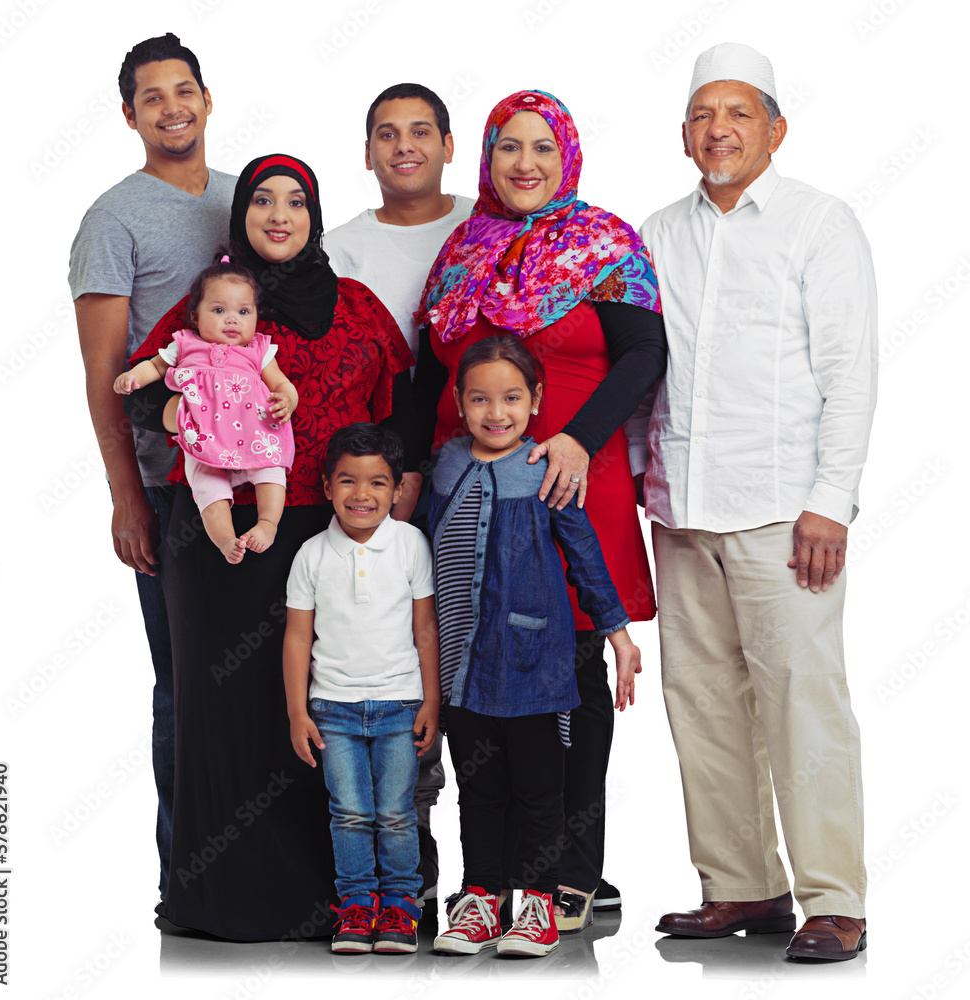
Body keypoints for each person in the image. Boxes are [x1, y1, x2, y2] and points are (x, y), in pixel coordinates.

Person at [126, 153, 416, 941]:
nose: (279, 214)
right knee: (224, 705)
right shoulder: (213, 303)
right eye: (262, 200)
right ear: (241, 216)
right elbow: (144, 391)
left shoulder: (354, 305)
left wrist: (402, 479)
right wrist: (206, 424)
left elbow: (404, 401)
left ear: (315, 215)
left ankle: (342, 897)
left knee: (324, 702)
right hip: (219, 529)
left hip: (329, 528)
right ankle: (225, 900)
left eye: (295, 201)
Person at [628, 42, 876, 961]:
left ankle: (835, 899)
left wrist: (832, 502)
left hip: (784, 512)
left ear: (776, 128)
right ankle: (742, 887)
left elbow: (850, 374)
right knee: (702, 703)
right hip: (681, 508)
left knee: (803, 703)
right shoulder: (656, 232)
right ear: (684, 134)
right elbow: (639, 369)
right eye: (703, 114)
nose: (719, 129)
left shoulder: (819, 224)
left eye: (739, 113)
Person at [415, 89, 666, 929]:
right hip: (467, 498)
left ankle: (570, 871)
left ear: (568, 158)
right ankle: (493, 874)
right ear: (485, 159)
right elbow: (431, 373)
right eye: (508, 148)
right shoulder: (462, 250)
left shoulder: (605, 243)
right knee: (477, 675)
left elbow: (644, 355)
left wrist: (578, 440)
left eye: (541, 149)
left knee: (573, 678)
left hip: (569, 489)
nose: (525, 164)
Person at [68, 32, 235, 907]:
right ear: (130, 115)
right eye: (153, 97)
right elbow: (103, 375)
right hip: (171, 490)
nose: (173, 108)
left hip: (264, 486)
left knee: (260, 676)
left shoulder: (250, 200)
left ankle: (269, 873)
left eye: (185, 91)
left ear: (208, 100)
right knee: (186, 680)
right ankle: (189, 878)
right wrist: (125, 495)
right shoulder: (114, 219)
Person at [428, 336, 640, 958]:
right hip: (461, 666)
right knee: (479, 789)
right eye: (481, 399)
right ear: (460, 404)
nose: (497, 412)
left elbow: (585, 556)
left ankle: (539, 907)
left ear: (536, 400)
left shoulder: (546, 468)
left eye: (512, 398)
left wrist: (618, 635)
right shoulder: (444, 467)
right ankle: (481, 901)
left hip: (532, 667)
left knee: (539, 790)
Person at [322, 80, 474, 910]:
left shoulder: (483, 229)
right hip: (383, 482)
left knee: (465, 650)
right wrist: (393, 475)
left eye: (422, 131)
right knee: (384, 652)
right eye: (386, 133)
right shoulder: (344, 246)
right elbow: (381, 374)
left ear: (450, 145)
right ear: (369, 150)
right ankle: (401, 874)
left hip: (481, 466)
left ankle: (519, 864)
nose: (404, 146)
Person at [283, 423, 439, 954]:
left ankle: (400, 906)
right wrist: (296, 714)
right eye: (348, 481)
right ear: (326, 487)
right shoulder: (311, 555)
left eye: (377, 483)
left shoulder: (411, 544)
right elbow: (298, 638)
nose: (362, 495)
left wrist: (432, 703)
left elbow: (425, 630)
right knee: (348, 812)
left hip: (399, 704)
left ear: (397, 490)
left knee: (396, 812)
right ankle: (355, 906)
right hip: (334, 711)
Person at [115, 253, 298, 562]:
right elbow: (156, 368)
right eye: (218, 310)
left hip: (256, 432)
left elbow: (282, 384)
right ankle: (226, 540)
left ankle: (267, 524)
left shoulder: (259, 351)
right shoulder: (185, 344)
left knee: (272, 471)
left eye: (243, 311)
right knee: (207, 487)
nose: (232, 319)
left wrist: (287, 400)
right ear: (195, 317)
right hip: (204, 437)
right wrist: (134, 376)